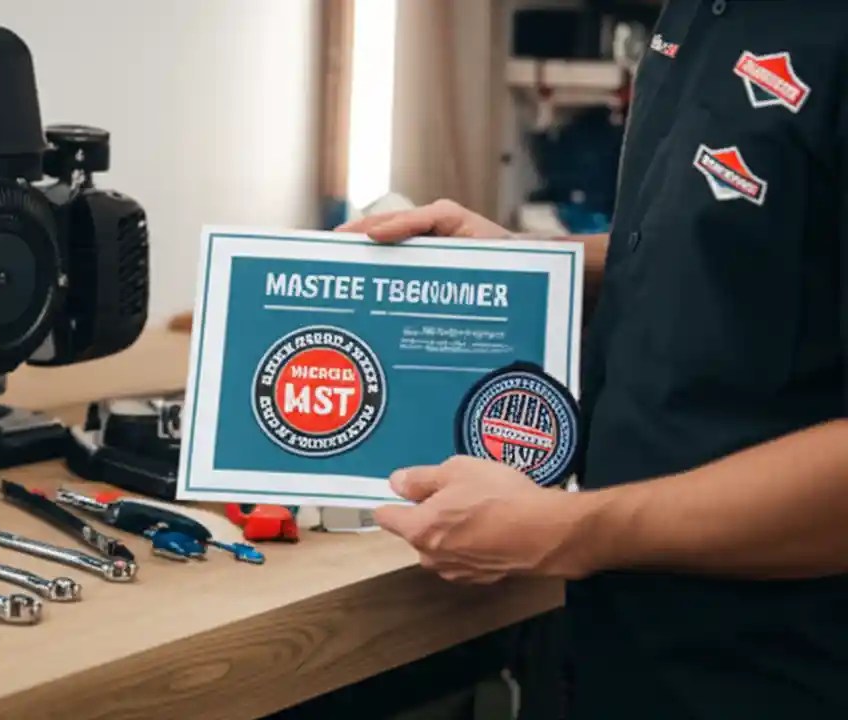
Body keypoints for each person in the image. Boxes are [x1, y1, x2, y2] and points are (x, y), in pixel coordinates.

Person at [338, 1, 848, 718]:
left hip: (778, 671)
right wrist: (528, 268)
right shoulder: (702, 13)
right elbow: (741, 242)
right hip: (623, 646)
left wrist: (566, 532)